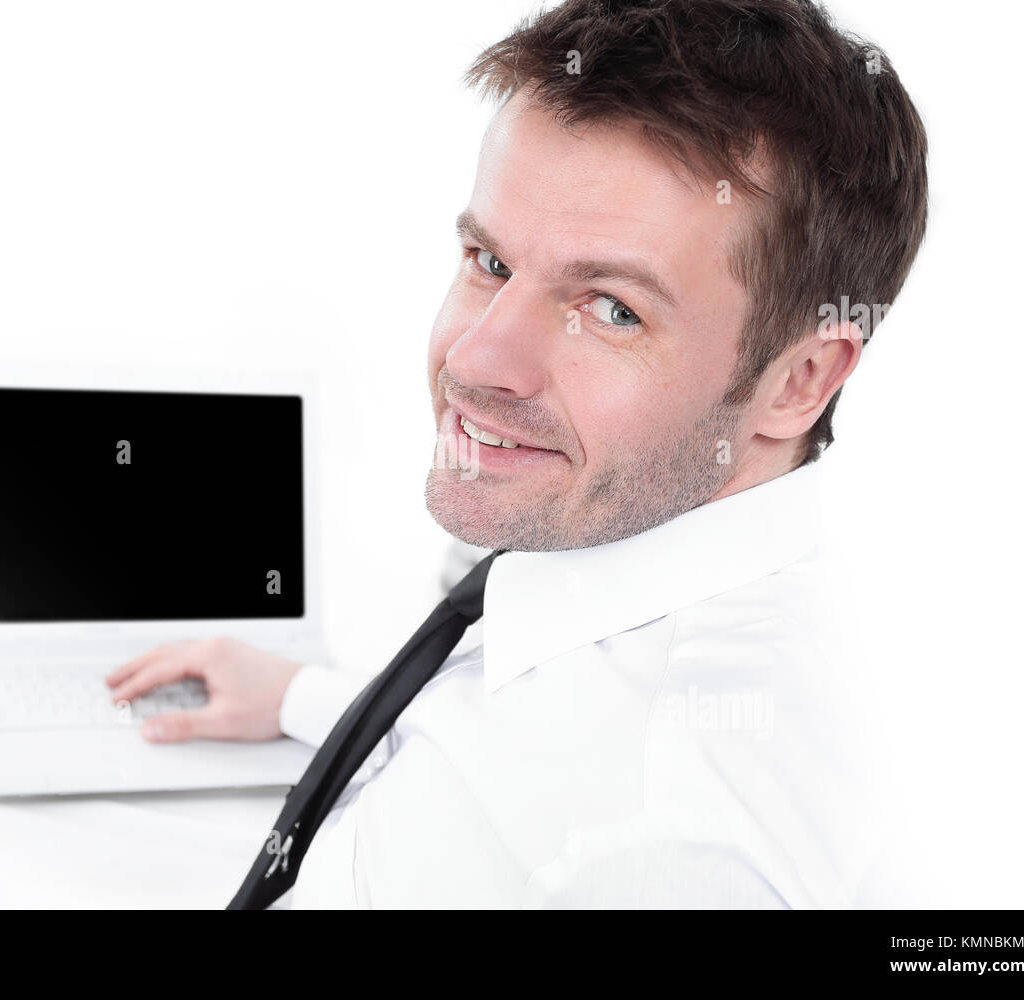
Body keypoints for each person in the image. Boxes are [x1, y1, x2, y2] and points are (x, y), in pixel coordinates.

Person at [105, 0, 928, 907]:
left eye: (612, 309)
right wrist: (306, 698)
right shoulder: (622, 546)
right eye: (489, 262)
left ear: (800, 379)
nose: (476, 359)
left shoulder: (649, 847)